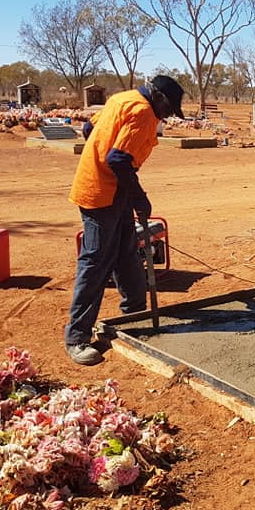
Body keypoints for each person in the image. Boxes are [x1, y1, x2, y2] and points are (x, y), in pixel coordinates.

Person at [63, 75, 185, 366]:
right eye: (168, 109)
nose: (166, 116)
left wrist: (125, 190)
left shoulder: (122, 98)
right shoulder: (143, 111)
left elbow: (89, 127)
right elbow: (118, 158)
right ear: (158, 98)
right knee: (96, 261)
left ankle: (134, 312)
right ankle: (77, 337)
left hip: (113, 189)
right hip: (101, 193)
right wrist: (138, 196)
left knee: (126, 251)